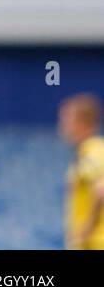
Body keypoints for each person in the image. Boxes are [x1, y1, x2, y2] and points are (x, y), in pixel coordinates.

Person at [58, 93, 104, 249]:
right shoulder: (89, 151)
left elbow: (101, 189)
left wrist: (85, 230)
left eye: (66, 120)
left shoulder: (94, 150)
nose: (62, 127)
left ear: (81, 123)